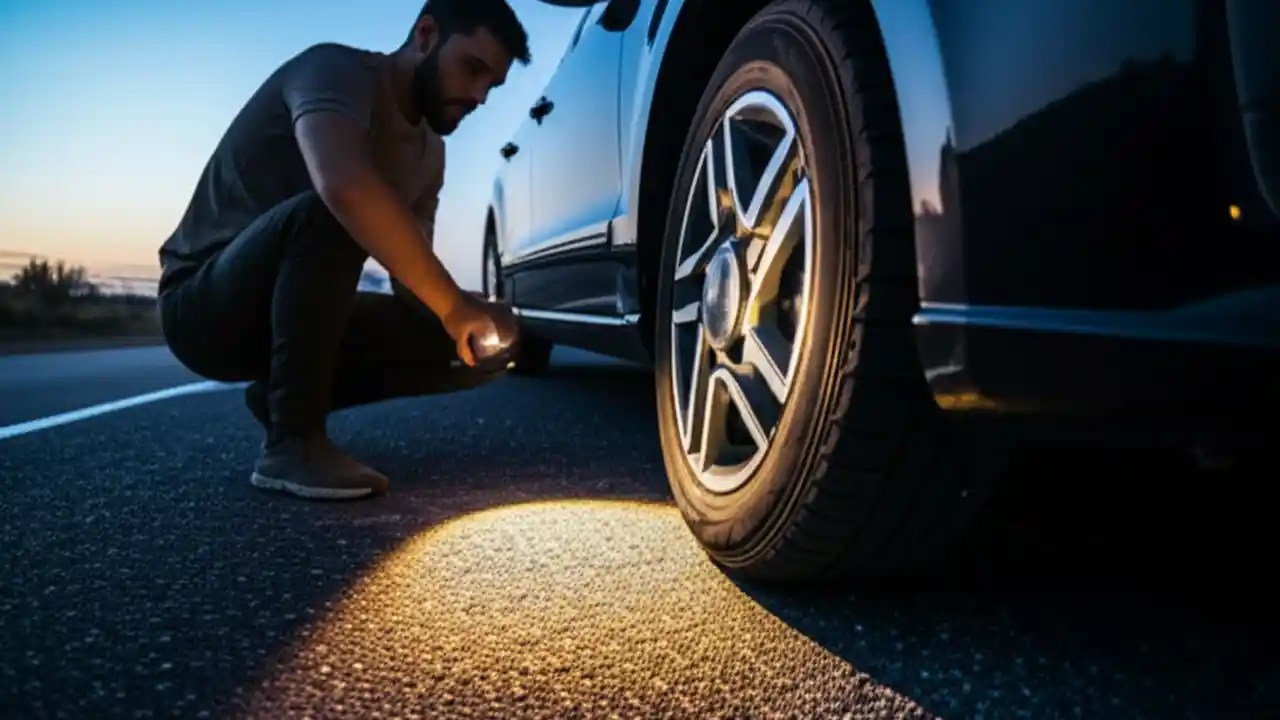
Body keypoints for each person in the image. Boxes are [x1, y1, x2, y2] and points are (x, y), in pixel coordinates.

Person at [156, 0, 530, 500]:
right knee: (337, 210)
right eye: (473, 68)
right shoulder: (335, 71)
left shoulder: (429, 154)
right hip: (202, 307)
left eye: (493, 85)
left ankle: (282, 399)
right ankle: (292, 443)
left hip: (290, 318)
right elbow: (344, 186)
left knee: (473, 346)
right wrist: (454, 306)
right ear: (425, 35)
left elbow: (412, 285)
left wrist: (474, 312)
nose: (480, 96)